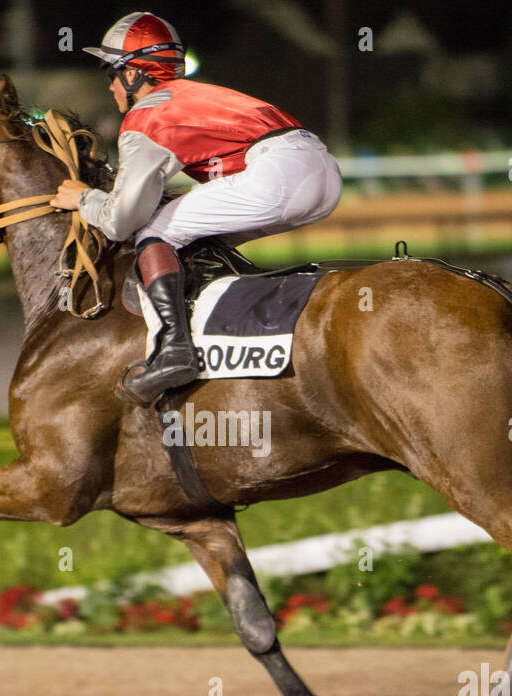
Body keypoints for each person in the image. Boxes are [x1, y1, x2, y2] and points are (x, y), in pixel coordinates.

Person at [50, 11, 343, 406]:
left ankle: (174, 350)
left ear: (134, 74)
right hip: (321, 171)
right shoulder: (197, 94)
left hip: (279, 174)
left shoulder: (146, 115)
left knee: (155, 232)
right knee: (192, 235)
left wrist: (82, 198)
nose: (111, 88)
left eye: (112, 73)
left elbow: (121, 221)